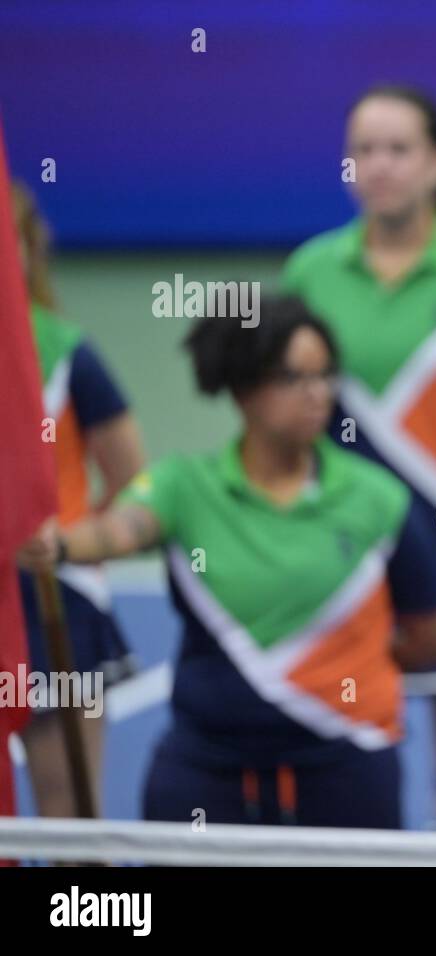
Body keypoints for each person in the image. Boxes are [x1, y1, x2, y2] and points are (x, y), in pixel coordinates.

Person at [19, 298, 436, 828]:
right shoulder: (184, 485)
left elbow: (433, 635)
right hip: (208, 770)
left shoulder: (378, 498)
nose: (318, 394)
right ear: (244, 388)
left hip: (347, 764)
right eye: (294, 377)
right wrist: (60, 546)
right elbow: (120, 529)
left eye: (325, 375)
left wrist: (339, 671)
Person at [281, 84, 436, 832]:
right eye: (363, 150)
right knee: (341, 773)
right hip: (346, 554)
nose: (379, 165)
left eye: (399, 149)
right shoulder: (309, 273)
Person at [11, 180, 144, 818]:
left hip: (51, 596)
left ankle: (90, 923)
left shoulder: (63, 350)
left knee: (72, 821)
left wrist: (70, 538)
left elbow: (129, 475)